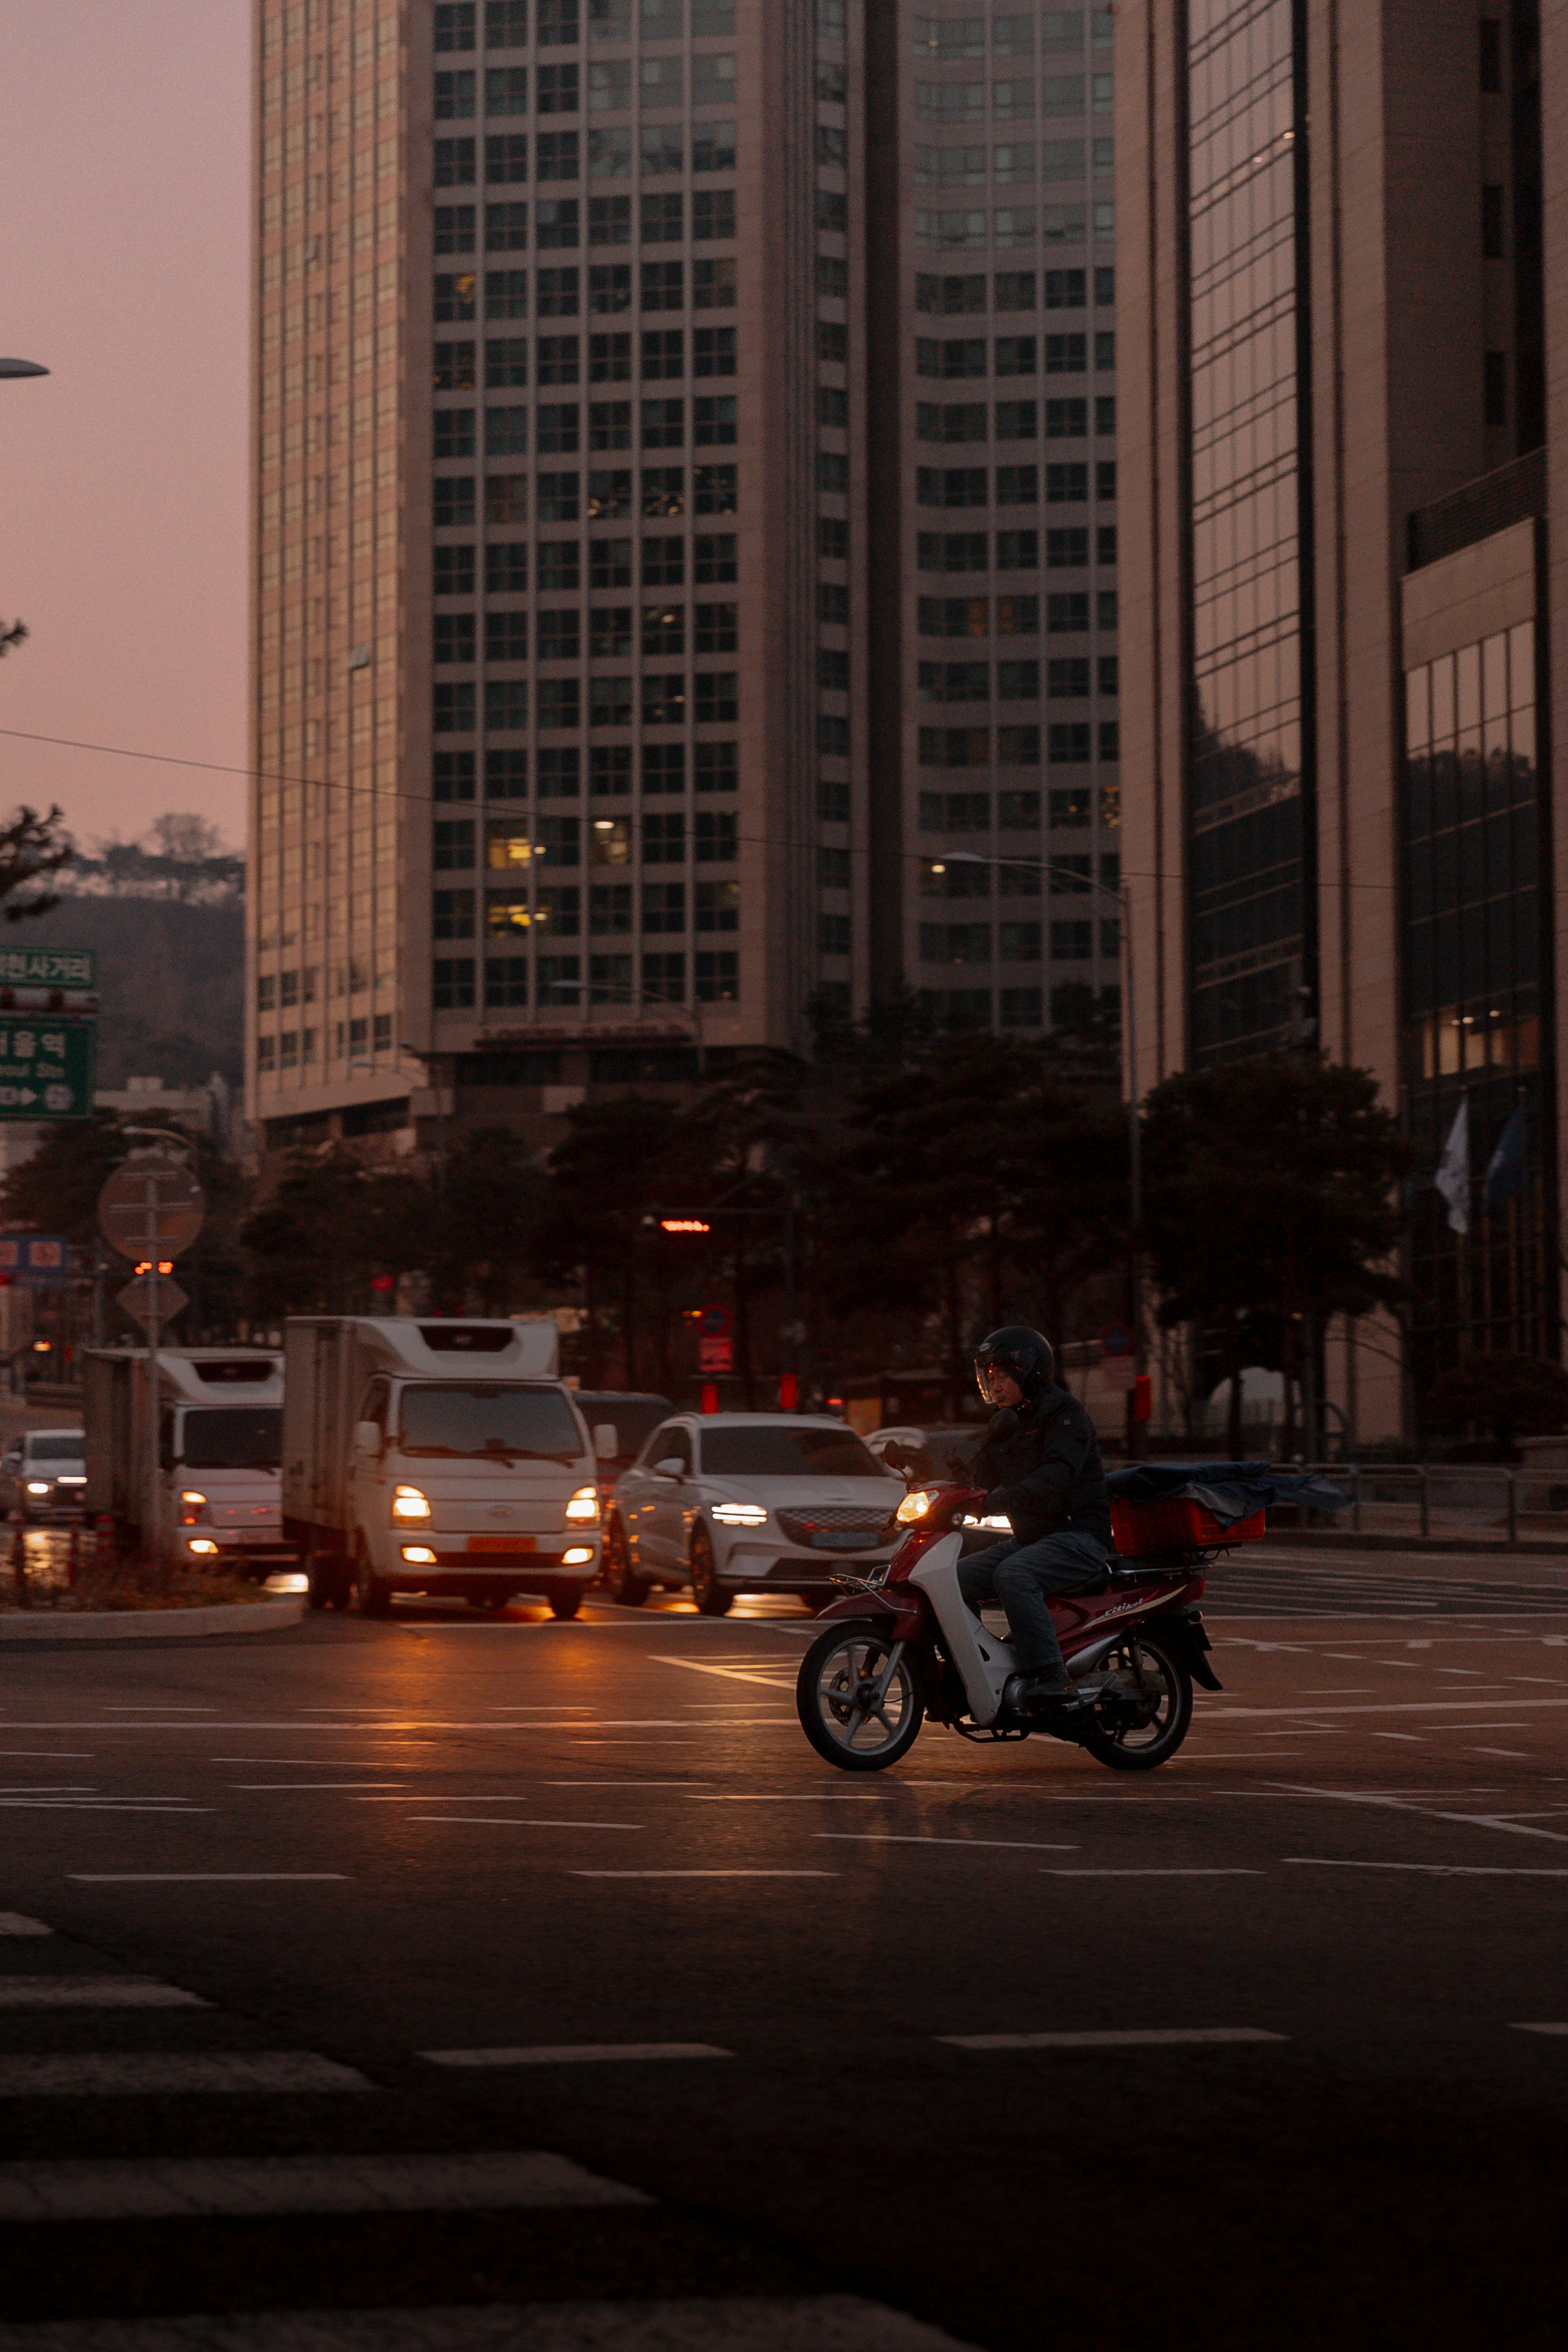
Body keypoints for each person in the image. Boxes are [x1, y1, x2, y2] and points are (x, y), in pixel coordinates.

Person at [958, 1325, 1112, 1708]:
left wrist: (1011, 1496)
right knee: (953, 1578)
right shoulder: (1006, 1422)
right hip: (1033, 1538)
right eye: (989, 1376)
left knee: (1014, 1574)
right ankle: (973, 1667)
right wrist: (942, 1487)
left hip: (1078, 1537)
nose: (994, 1385)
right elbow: (978, 1478)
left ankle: (1050, 1676)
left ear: (1030, 1372)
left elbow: (1058, 1472)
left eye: (1003, 1375)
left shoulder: (1064, 1414)